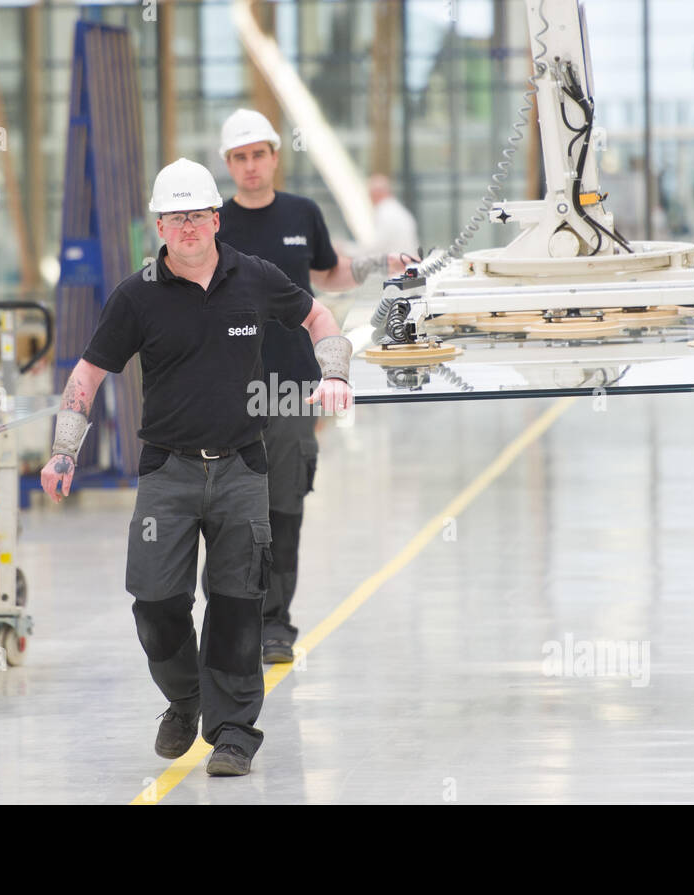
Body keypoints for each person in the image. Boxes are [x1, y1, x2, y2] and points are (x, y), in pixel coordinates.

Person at [40, 158, 354, 777]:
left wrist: (335, 372)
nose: (186, 227)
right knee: (156, 603)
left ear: (216, 218)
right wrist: (63, 449)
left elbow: (318, 316)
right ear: (159, 225)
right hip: (168, 474)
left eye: (196, 215)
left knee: (239, 604)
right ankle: (185, 700)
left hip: (241, 467)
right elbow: (88, 373)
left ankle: (234, 730)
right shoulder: (136, 297)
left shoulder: (253, 278)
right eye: (174, 217)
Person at [214, 108, 409, 665]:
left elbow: (328, 274)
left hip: (291, 384)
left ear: (275, 156)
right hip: (228, 388)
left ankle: (276, 624)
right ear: (229, 164)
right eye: (240, 157)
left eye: (259, 155)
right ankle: (235, 620)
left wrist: (379, 263)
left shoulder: (302, 213)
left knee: (284, 506)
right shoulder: (214, 224)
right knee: (229, 509)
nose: (251, 166)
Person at [366, 173, 420, 259]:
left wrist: (349, 250)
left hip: (397, 264)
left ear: (376, 193)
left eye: (370, 194)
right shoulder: (398, 210)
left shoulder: (384, 212)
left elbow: (378, 246)